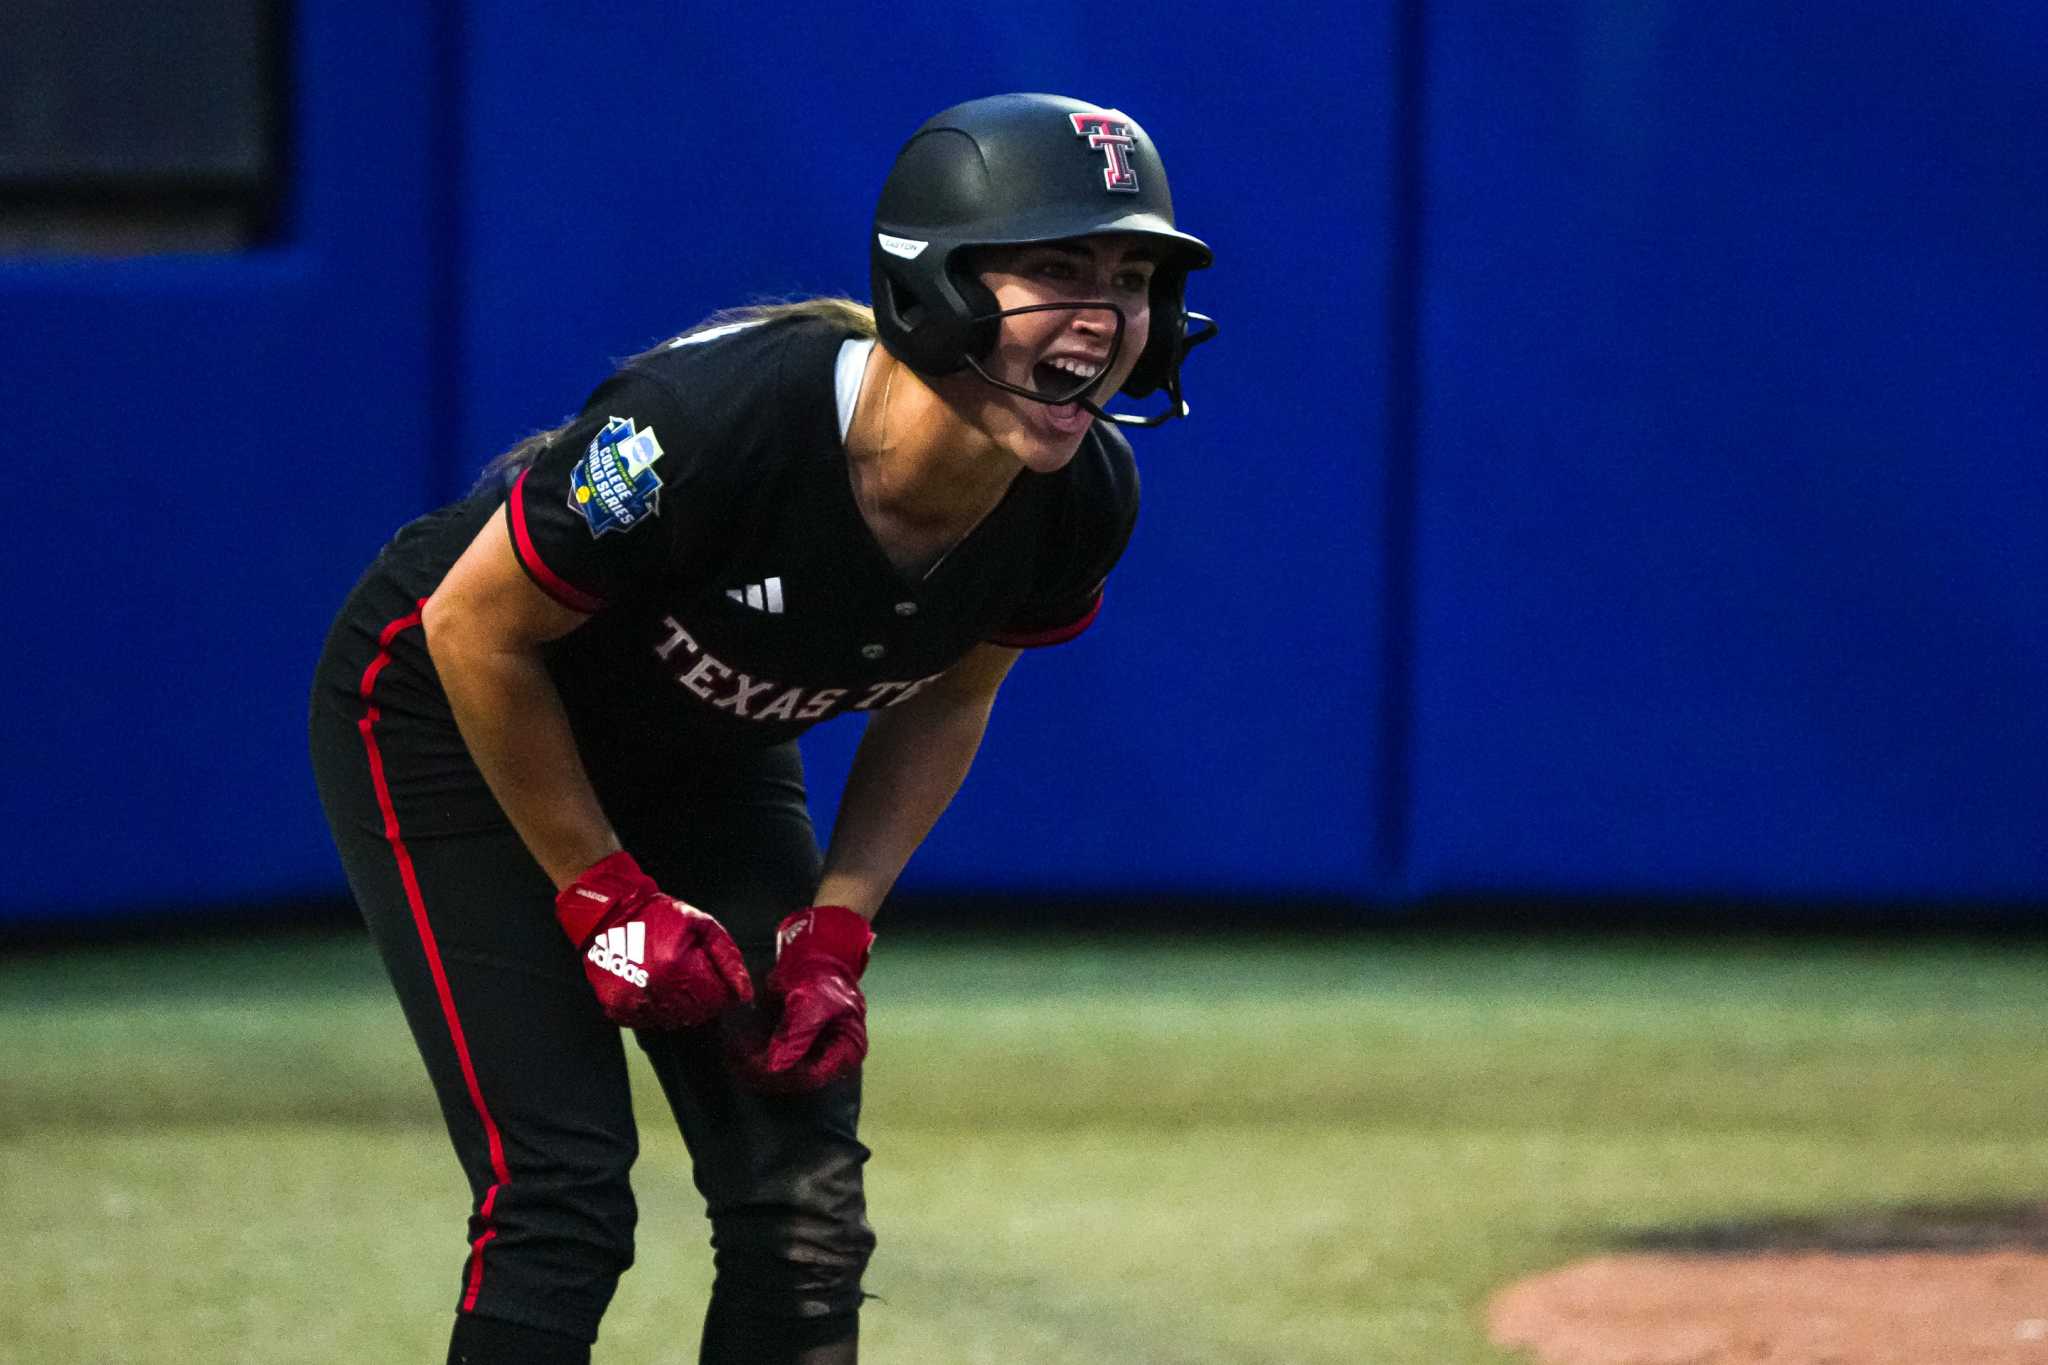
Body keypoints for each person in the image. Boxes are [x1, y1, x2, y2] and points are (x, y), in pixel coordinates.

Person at [309, 91, 1215, 1365]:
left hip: (702, 748)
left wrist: (837, 926)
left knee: (801, 1214)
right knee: (562, 1196)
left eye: (1130, 278)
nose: (1107, 317)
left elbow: (952, 693)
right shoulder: (720, 419)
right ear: (931, 288)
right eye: (1056, 269)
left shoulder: (1076, 499)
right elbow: (477, 632)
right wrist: (601, 894)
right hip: (455, 707)